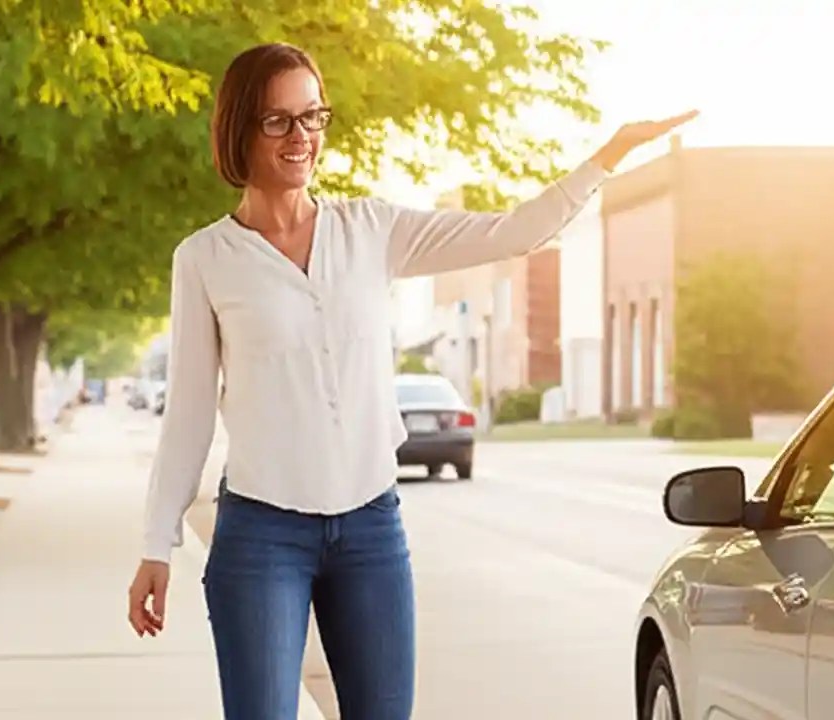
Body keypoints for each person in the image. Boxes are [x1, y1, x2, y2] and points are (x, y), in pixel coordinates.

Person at [127, 41, 697, 720]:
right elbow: (188, 416)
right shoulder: (206, 259)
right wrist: (154, 545)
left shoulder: (372, 229)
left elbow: (515, 233)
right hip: (261, 534)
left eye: (313, 117)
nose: (301, 136)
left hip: (370, 527)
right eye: (278, 120)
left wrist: (606, 156)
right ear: (239, 129)